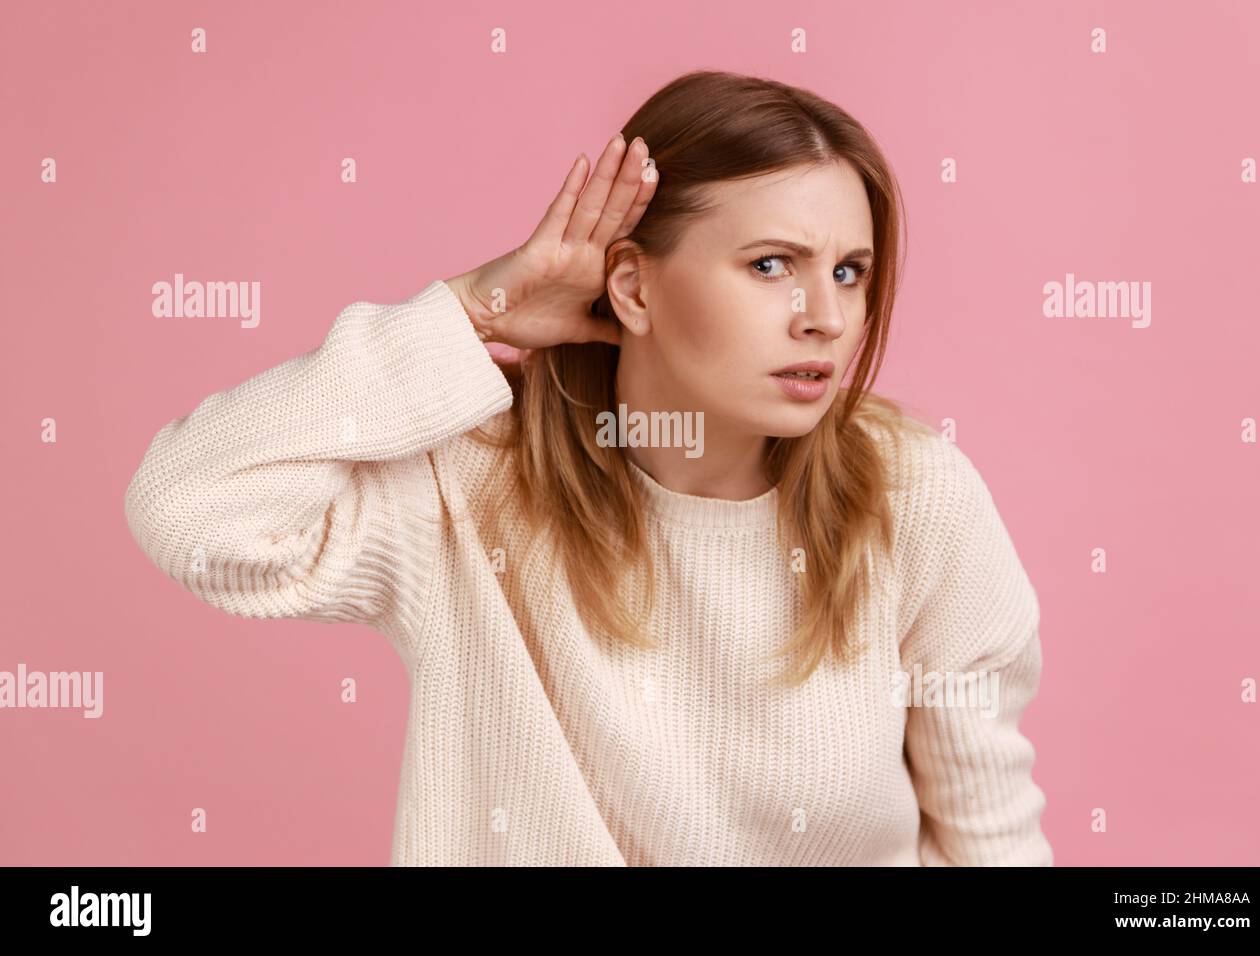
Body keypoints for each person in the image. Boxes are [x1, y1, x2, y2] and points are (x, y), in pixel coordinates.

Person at [124, 69, 1051, 866]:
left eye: (850, 271)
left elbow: (990, 836)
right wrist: (467, 314)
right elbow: (188, 507)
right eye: (773, 265)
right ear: (633, 285)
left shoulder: (912, 496)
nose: (826, 316)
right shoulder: (475, 486)